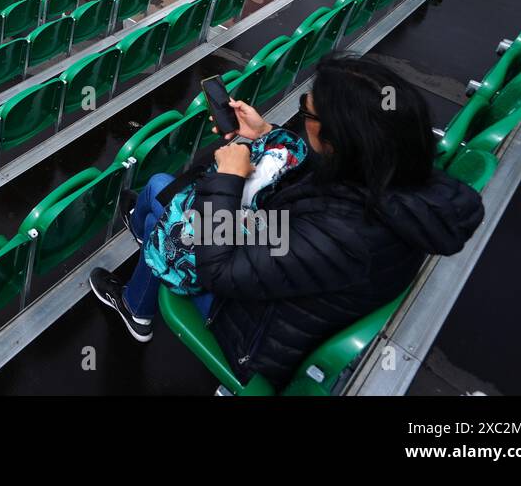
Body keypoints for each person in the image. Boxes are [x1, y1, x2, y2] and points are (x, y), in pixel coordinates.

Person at [91, 55, 483, 390]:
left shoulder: (343, 235)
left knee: (163, 196)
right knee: (166, 201)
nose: (303, 115)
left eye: (307, 112)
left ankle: (135, 308)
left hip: (251, 328)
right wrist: (266, 134)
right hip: (289, 288)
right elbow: (308, 205)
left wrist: (227, 181)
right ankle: (146, 242)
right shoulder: (391, 177)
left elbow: (221, 270)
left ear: (338, 140)